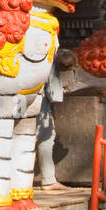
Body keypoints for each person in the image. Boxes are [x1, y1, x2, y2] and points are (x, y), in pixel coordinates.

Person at [36, 49, 77, 190]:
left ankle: (48, 179)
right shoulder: (48, 56)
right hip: (40, 103)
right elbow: (53, 92)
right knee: (43, 138)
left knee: (44, 139)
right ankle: (47, 180)